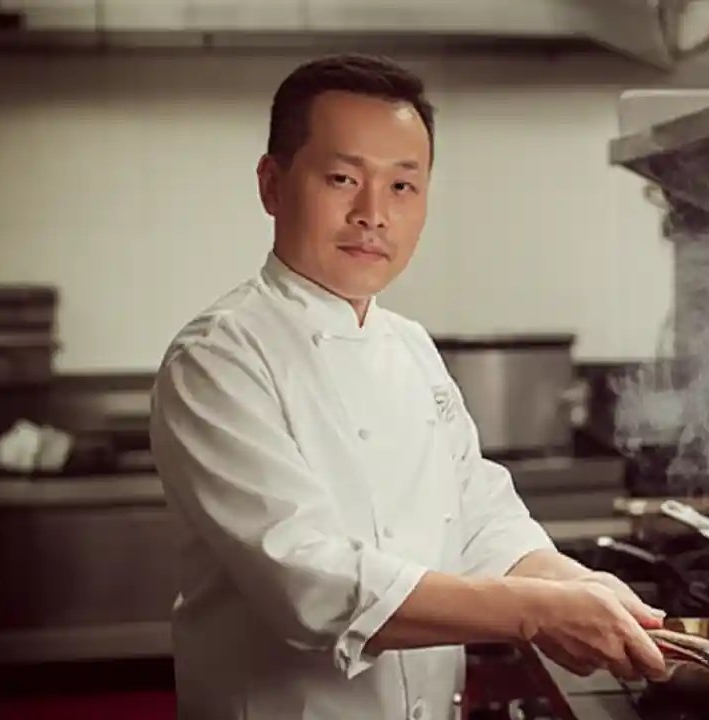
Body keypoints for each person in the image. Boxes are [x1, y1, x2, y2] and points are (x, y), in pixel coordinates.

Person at [149, 54, 668, 720]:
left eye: (403, 186)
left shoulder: (410, 347)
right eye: (342, 178)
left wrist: (577, 583)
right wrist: (536, 613)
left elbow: (480, 515)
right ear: (272, 185)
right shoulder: (219, 356)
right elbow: (307, 581)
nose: (373, 214)